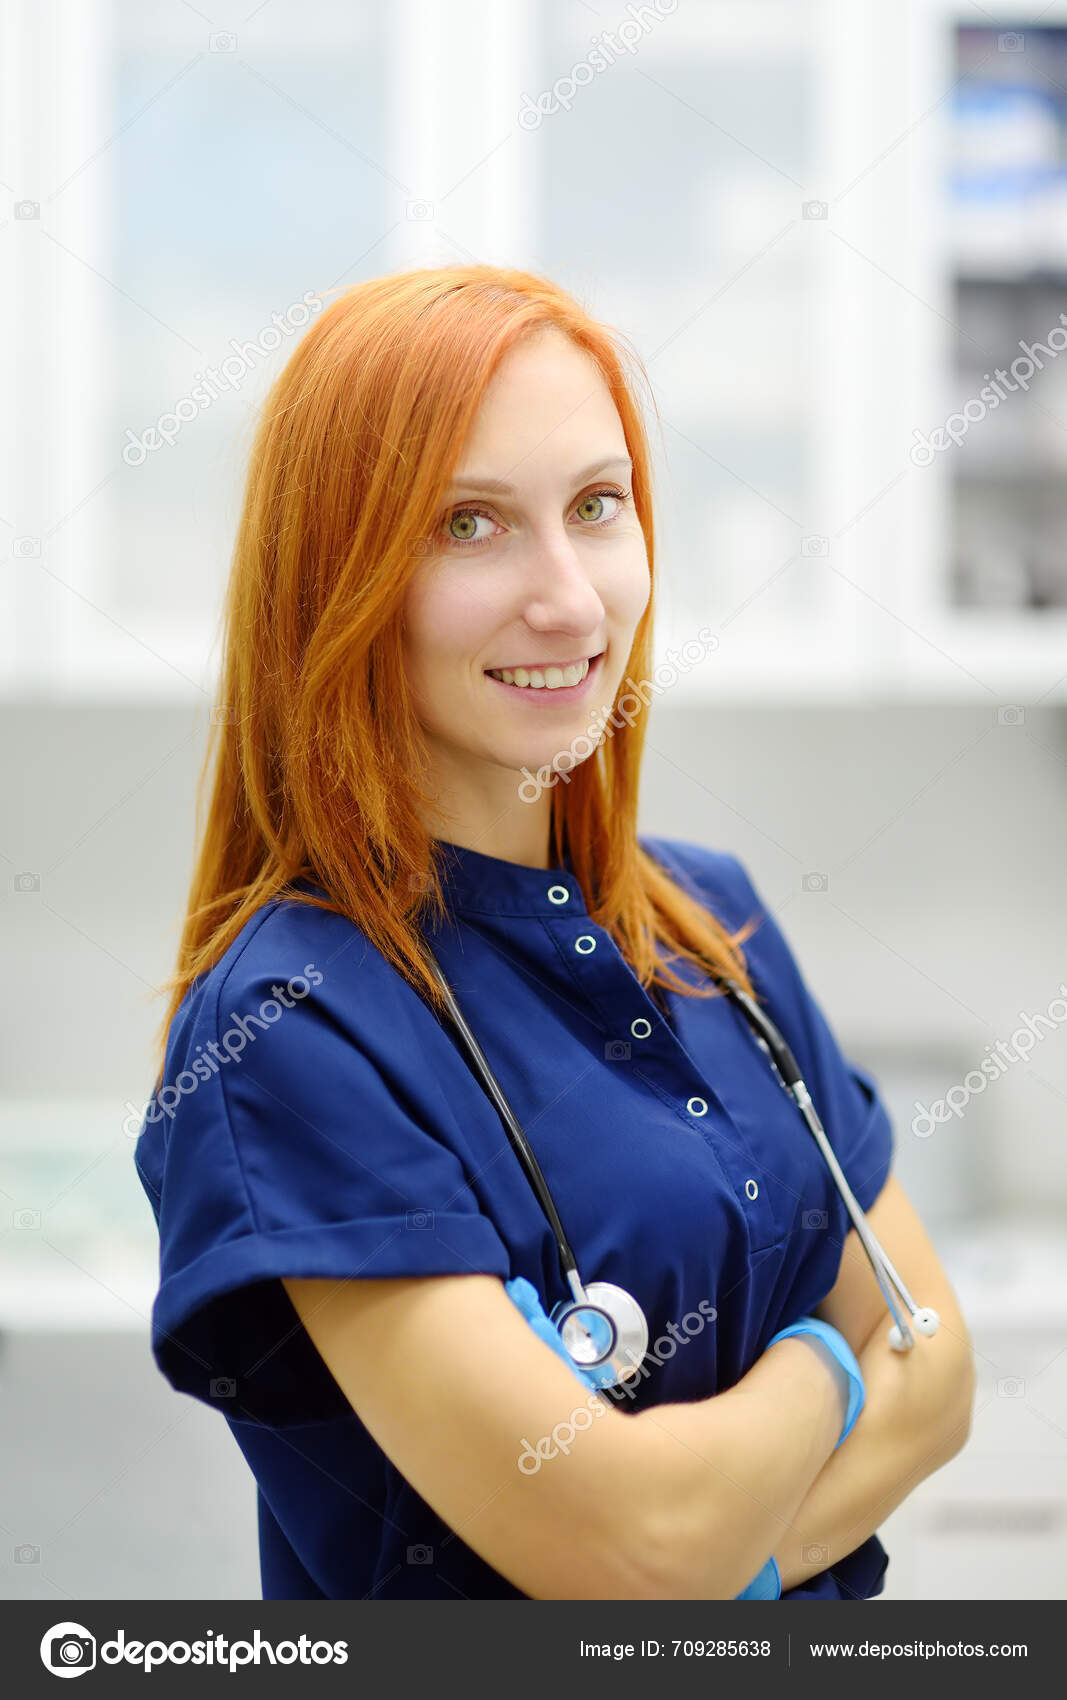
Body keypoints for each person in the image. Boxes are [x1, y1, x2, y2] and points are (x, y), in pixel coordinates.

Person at [133, 263, 975, 1602]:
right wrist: (828, 1355)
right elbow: (629, 1553)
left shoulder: (714, 925)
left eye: (598, 506)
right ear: (337, 575)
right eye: (470, 525)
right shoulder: (290, 1031)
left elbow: (942, 1381)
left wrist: (727, 1561)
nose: (573, 600)